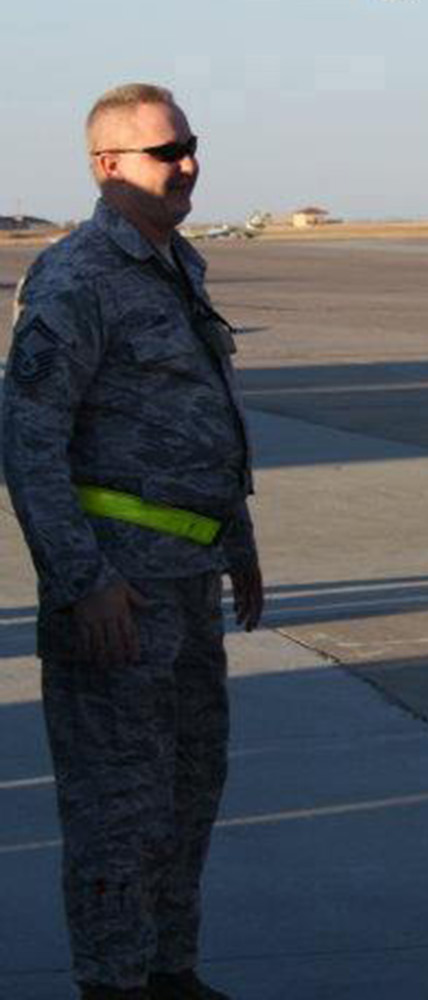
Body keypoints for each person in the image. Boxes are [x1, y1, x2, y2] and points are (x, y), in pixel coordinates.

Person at [2, 83, 265, 1000]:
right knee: (119, 806)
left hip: (188, 581)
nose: (187, 163)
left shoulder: (174, 266)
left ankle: (169, 972)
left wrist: (240, 541)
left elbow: (203, 419)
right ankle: (114, 984)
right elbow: (28, 442)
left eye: (191, 144)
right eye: (165, 152)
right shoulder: (78, 277)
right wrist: (83, 581)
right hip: (120, 594)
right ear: (108, 167)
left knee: (190, 791)